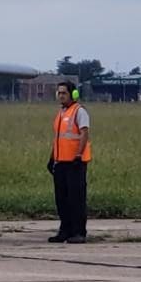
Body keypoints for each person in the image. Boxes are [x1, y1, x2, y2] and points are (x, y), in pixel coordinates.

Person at [47, 81, 91, 243]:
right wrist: (52, 158)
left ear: (73, 94)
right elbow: (58, 139)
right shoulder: (61, 113)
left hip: (75, 163)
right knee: (62, 199)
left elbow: (84, 134)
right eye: (59, 93)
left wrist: (78, 155)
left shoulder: (79, 111)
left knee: (76, 199)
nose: (60, 96)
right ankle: (65, 230)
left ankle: (79, 232)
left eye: (64, 93)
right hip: (61, 162)